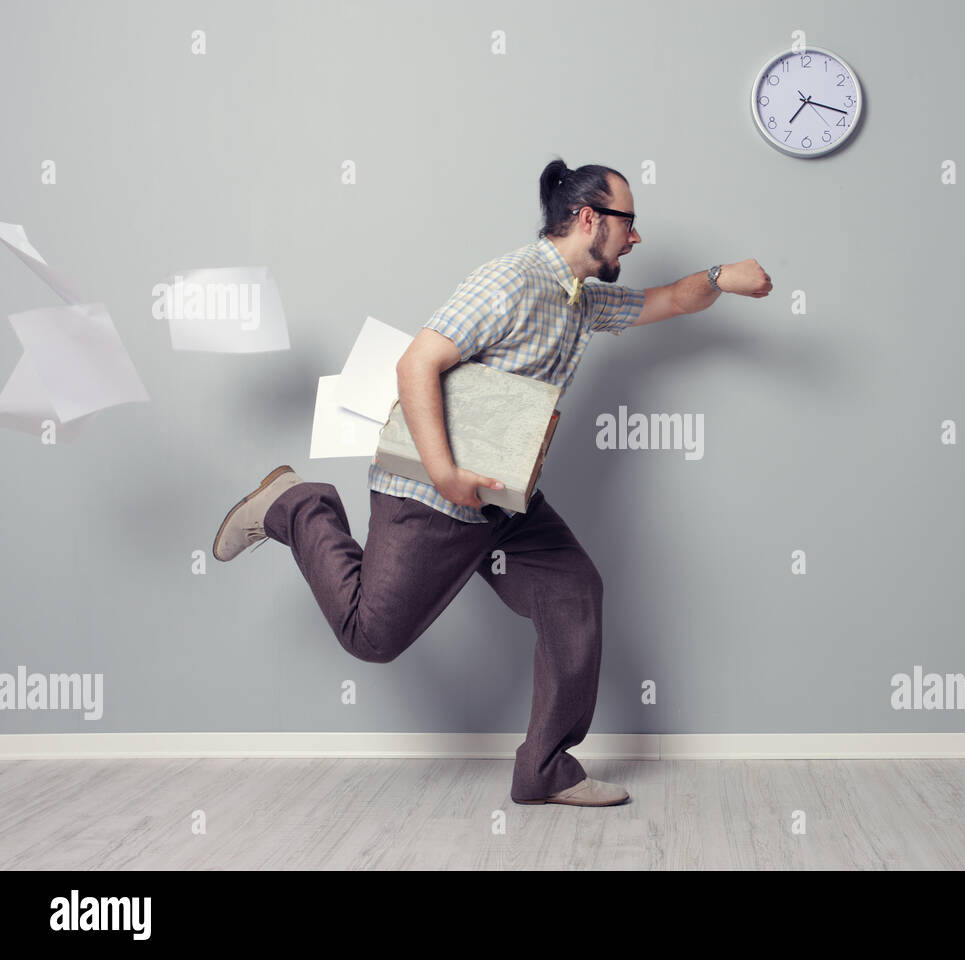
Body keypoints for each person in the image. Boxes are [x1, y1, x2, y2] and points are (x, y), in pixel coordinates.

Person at [211, 159, 773, 807]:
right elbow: (418, 361)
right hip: (432, 497)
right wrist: (446, 474)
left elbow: (667, 299)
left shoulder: (577, 298)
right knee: (372, 638)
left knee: (573, 590)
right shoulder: (510, 280)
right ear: (590, 219)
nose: (636, 237)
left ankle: (544, 770)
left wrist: (719, 279)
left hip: (506, 499)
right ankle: (297, 504)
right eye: (629, 223)